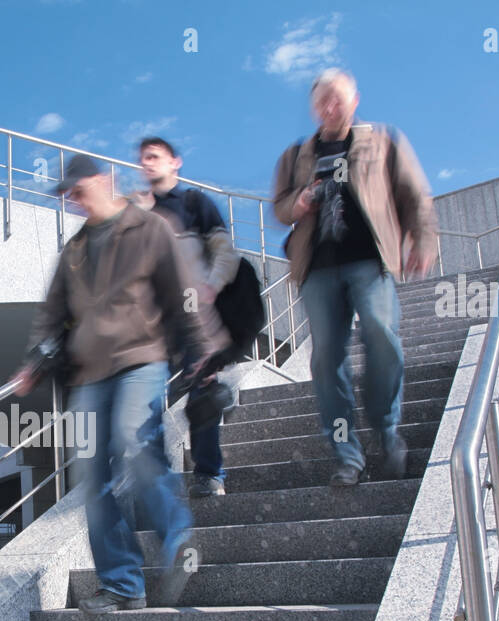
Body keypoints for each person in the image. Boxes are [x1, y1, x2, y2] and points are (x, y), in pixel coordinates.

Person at [15, 154, 227, 613]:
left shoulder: (148, 229)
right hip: (90, 374)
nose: (74, 198)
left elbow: (182, 289)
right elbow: (51, 314)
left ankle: (178, 537)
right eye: (68, 194)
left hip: (141, 358)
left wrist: (201, 351)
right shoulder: (73, 252)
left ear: (104, 180)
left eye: (79, 188)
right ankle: (124, 585)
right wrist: (34, 360)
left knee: (134, 437)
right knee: (91, 476)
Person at [272, 68, 437, 487]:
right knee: (327, 357)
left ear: (355, 100)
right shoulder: (296, 155)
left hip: (370, 259)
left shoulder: (383, 141)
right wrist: (301, 201)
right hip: (318, 267)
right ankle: (348, 455)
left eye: (337, 99)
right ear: (313, 108)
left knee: (381, 334)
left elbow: (413, 191)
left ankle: (387, 429)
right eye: (321, 102)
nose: (329, 108)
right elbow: (279, 208)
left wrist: (423, 238)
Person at [139, 136, 241, 497]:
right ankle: (160, 481)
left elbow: (224, 251)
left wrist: (211, 285)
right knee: (145, 402)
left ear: (174, 162)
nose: (147, 163)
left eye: (155, 157)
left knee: (202, 397)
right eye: (143, 159)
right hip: (154, 325)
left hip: (194, 314)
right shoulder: (142, 216)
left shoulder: (196, 204)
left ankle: (209, 473)